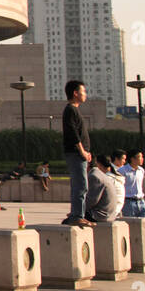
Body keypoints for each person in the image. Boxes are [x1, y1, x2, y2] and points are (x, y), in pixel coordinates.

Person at [61, 80, 92, 227]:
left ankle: (77, 214)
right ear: (75, 93)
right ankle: (77, 215)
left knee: (80, 184)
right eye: (83, 91)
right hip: (76, 154)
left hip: (80, 154)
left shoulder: (75, 110)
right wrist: (82, 151)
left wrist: (87, 152)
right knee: (81, 185)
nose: (85, 94)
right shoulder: (70, 110)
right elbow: (73, 134)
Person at [84, 154, 124, 224]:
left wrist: (77, 211)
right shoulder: (100, 174)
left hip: (100, 215)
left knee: (71, 221)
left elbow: (91, 200)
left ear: (87, 164)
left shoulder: (94, 176)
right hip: (109, 214)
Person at [118, 150, 145, 218]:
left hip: (141, 201)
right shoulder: (122, 171)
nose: (142, 159)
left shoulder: (141, 170)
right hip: (128, 202)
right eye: (140, 157)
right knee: (131, 225)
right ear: (132, 159)